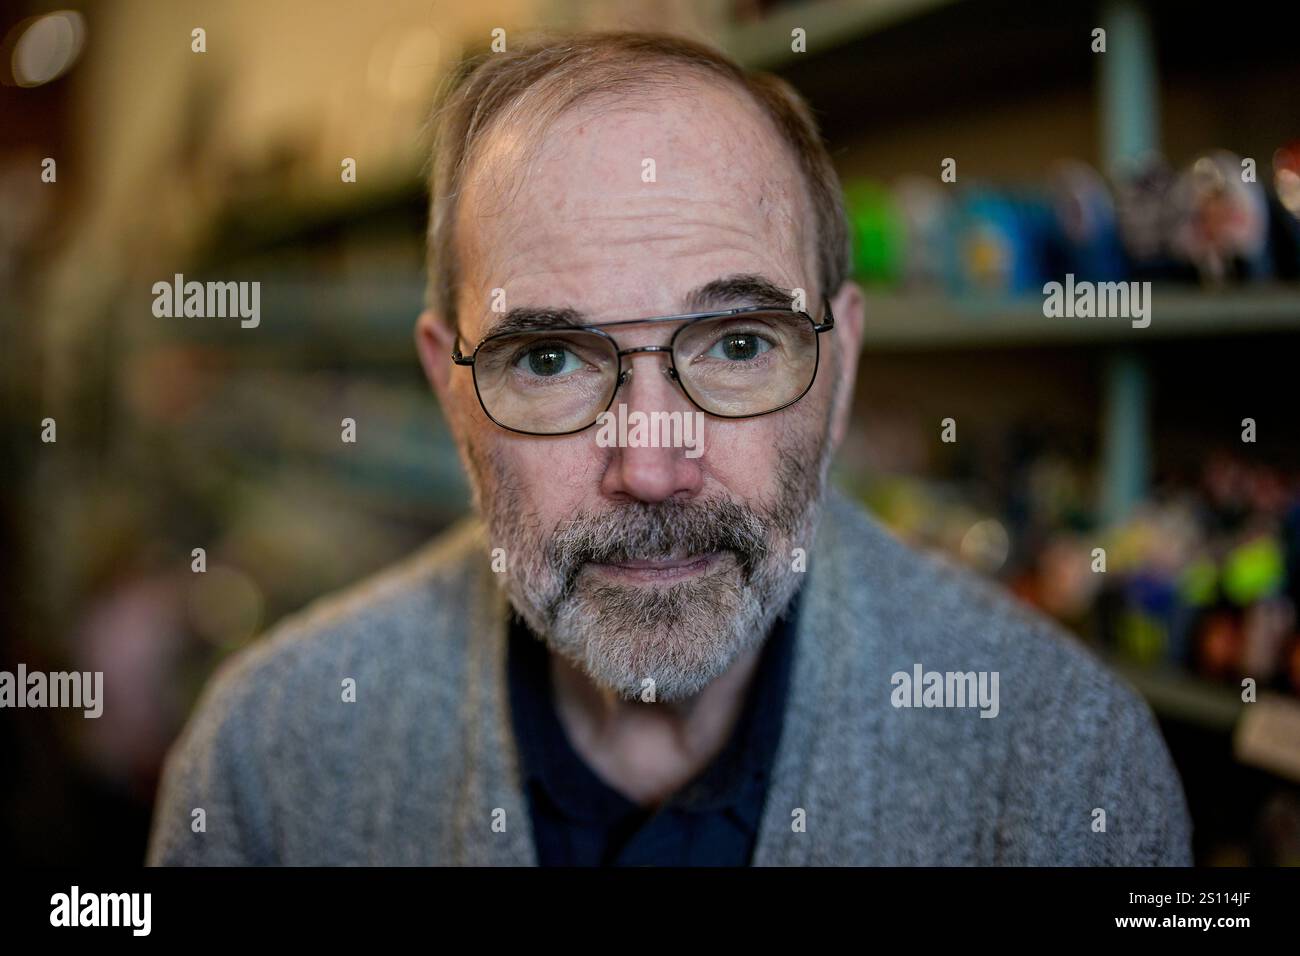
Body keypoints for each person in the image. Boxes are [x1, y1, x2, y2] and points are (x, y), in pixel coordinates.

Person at [147, 31, 1192, 866]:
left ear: (843, 364)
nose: (650, 466)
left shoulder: (1064, 766)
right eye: (550, 358)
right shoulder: (270, 760)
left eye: (738, 344)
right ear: (448, 388)